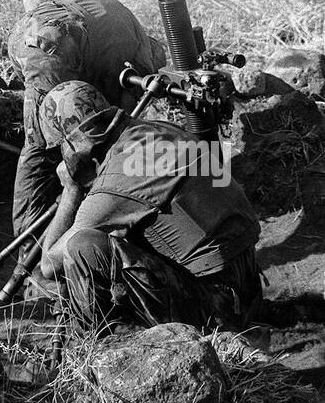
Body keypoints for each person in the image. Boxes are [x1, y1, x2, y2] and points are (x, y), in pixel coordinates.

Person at [35, 80, 262, 333]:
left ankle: (102, 348)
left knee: (83, 247)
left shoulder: (117, 179)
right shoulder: (158, 130)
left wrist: (71, 188)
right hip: (247, 288)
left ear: (73, 142)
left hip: (217, 312)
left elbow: (49, 265)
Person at [1, 0, 166, 296]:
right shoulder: (48, 53)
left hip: (93, 40)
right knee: (41, 146)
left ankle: (85, 244)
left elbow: (107, 143)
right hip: (50, 45)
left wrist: (84, 174)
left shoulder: (125, 60)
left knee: (100, 153)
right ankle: (32, 260)